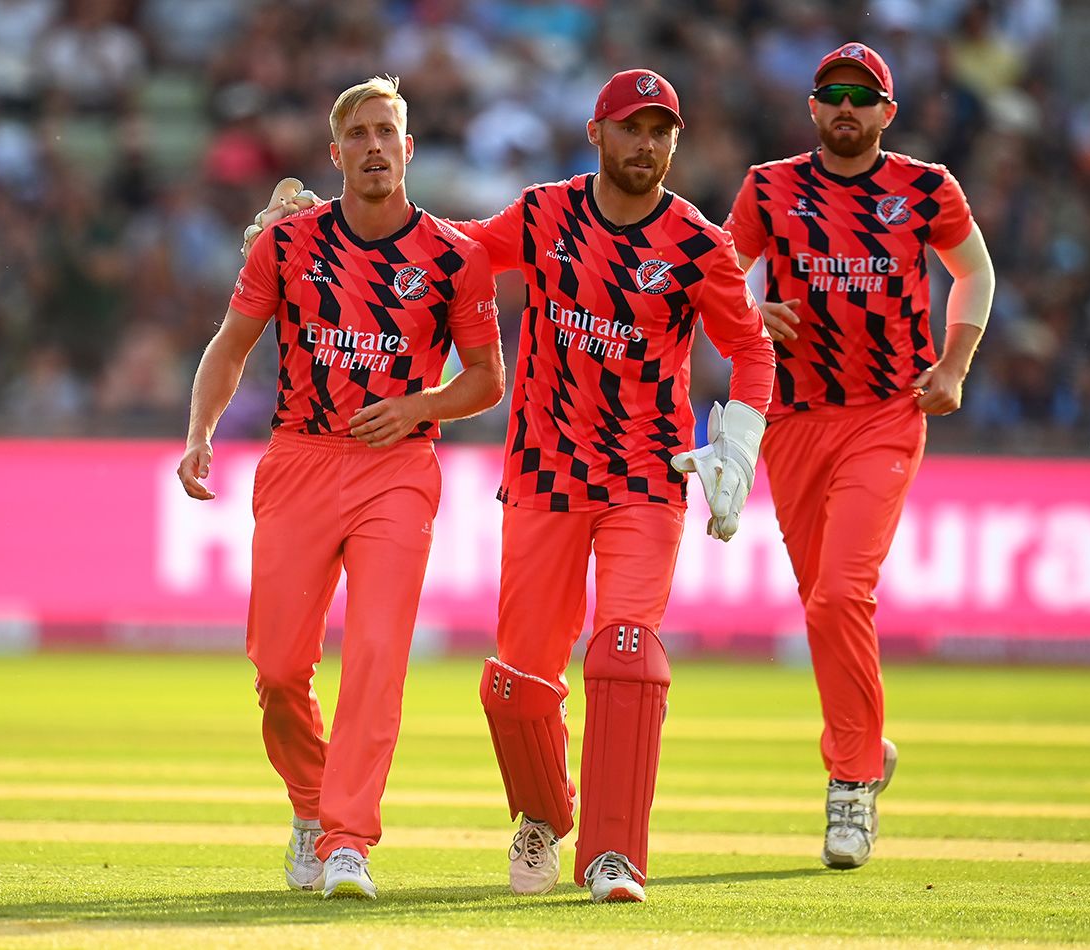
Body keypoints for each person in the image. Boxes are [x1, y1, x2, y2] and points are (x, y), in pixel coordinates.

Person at [244, 68, 775, 903]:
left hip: (646, 476)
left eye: (661, 131)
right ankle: (540, 814)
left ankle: (612, 856)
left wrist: (738, 446)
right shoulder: (544, 214)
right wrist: (312, 224)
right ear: (596, 134)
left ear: (676, 142)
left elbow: (753, 349)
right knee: (520, 684)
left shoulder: (697, 243)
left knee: (626, 653)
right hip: (543, 476)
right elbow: (437, 247)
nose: (646, 145)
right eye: (631, 128)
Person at [177, 76, 505, 901]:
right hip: (299, 461)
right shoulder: (286, 245)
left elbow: (488, 381)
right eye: (357, 134)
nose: (372, 146)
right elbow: (230, 347)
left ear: (408, 148)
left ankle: (349, 840)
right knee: (280, 668)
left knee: (375, 657)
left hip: (397, 469)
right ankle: (311, 806)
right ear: (336, 153)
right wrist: (200, 435)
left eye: (385, 131)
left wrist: (420, 407)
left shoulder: (453, 257)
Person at [724, 43, 995, 870]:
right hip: (793, 421)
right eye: (832, 95)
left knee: (843, 593)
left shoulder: (926, 186)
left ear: (888, 112)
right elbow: (719, 273)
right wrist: (749, 311)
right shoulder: (768, 186)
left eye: (862, 97)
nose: (847, 108)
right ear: (813, 108)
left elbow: (974, 273)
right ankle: (868, 750)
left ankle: (848, 788)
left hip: (885, 413)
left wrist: (954, 365)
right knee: (822, 606)